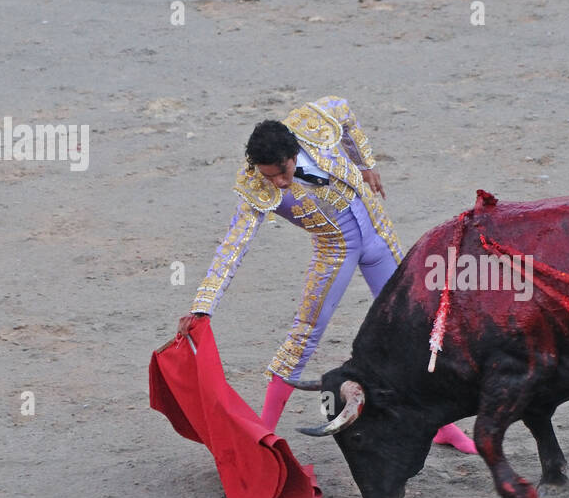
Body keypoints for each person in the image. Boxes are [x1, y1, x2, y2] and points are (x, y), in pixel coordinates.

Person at [176, 95, 476, 453]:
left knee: (415, 327)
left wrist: (367, 164)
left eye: (283, 173)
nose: (281, 184)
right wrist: (202, 306)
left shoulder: (313, 122)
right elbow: (232, 246)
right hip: (336, 250)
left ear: (293, 153)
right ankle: (261, 438)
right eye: (270, 177)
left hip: (378, 232)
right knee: (303, 336)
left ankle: (440, 426)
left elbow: (345, 109)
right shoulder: (256, 186)